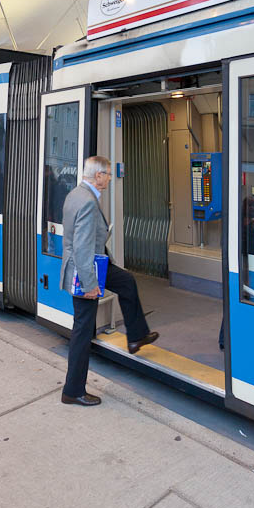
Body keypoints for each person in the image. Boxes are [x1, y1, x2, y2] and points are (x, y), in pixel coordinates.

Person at [60, 155, 158, 406]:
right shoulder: (88, 202)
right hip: (86, 271)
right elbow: (81, 247)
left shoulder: (76, 194)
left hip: (95, 263)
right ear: (99, 176)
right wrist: (90, 284)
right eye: (108, 175)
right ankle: (73, 391)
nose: (109, 179)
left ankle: (136, 336)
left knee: (125, 281)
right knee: (82, 330)